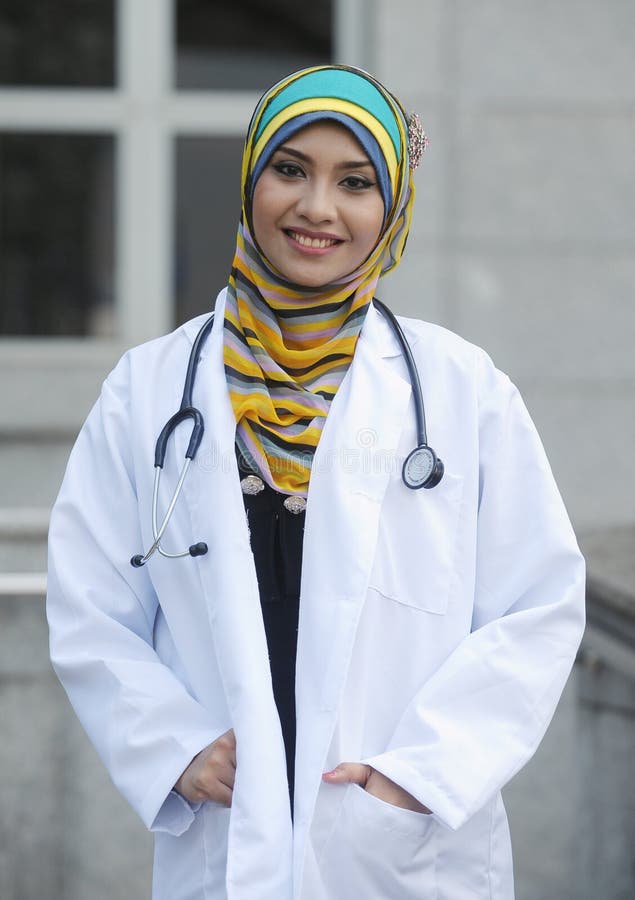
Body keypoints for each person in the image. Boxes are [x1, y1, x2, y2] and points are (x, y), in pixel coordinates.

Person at [47, 65, 585, 900]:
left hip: (399, 841)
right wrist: (170, 747)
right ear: (250, 179)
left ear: (392, 206)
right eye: (290, 169)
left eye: (355, 182)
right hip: (228, 826)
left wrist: (422, 776)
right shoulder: (148, 389)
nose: (316, 207)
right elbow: (91, 603)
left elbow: (536, 604)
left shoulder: (461, 389)